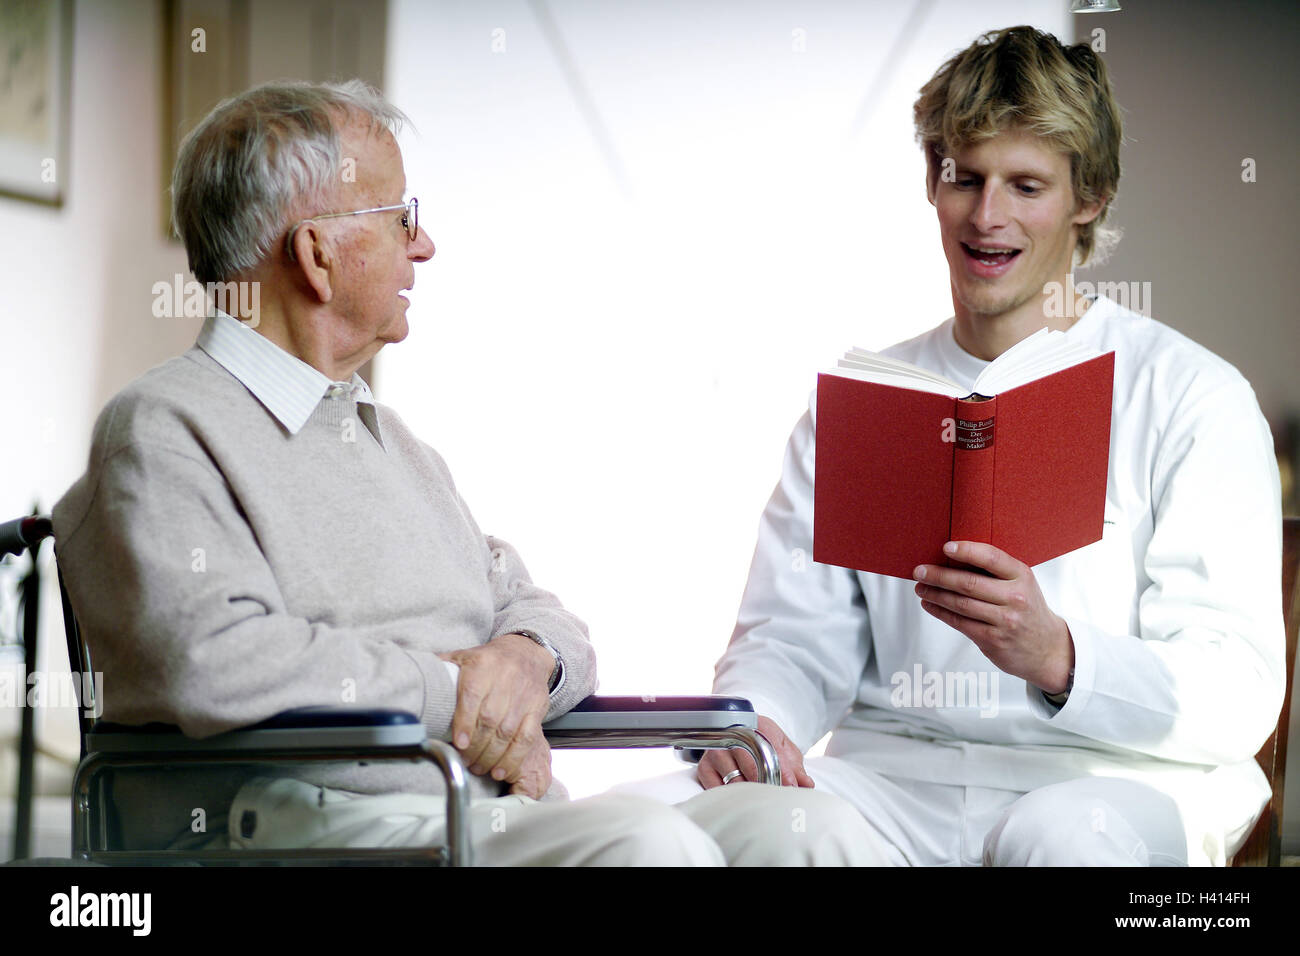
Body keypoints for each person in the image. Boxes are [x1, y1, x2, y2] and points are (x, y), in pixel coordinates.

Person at [53, 79, 879, 865]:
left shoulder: (389, 440)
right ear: (316, 254)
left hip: (465, 810)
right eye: (399, 217)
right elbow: (219, 662)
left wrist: (524, 662)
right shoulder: (162, 429)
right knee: (649, 847)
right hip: (294, 819)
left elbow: (539, 615)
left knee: (803, 832)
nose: (424, 244)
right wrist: (460, 697)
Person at [689, 26, 1285, 866]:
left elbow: (1235, 689)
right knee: (730, 822)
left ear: (1091, 197)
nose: (987, 215)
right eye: (962, 177)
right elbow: (790, 639)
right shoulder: (865, 399)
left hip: (1119, 781)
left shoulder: (1191, 396)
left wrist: (1057, 654)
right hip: (899, 783)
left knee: (1064, 842)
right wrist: (755, 726)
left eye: (1026, 185)